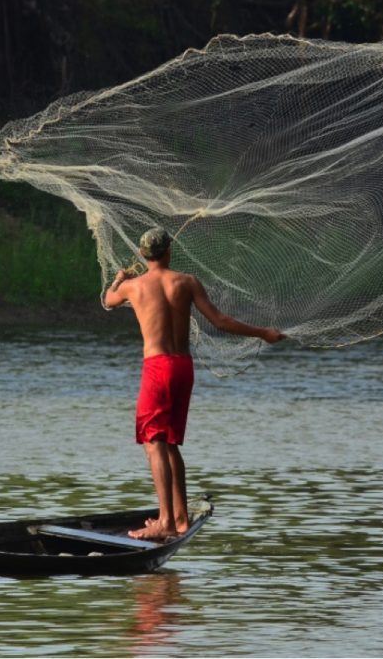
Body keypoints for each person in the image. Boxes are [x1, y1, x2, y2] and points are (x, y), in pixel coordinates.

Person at [105, 226, 284, 540]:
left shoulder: (133, 287)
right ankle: (180, 517)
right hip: (183, 368)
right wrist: (264, 333)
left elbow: (108, 300)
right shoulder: (187, 282)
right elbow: (220, 321)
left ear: (143, 255)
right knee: (170, 442)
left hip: (157, 367)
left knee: (154, 442)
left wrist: (120, 277)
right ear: (169, 252)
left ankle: (165, 522)